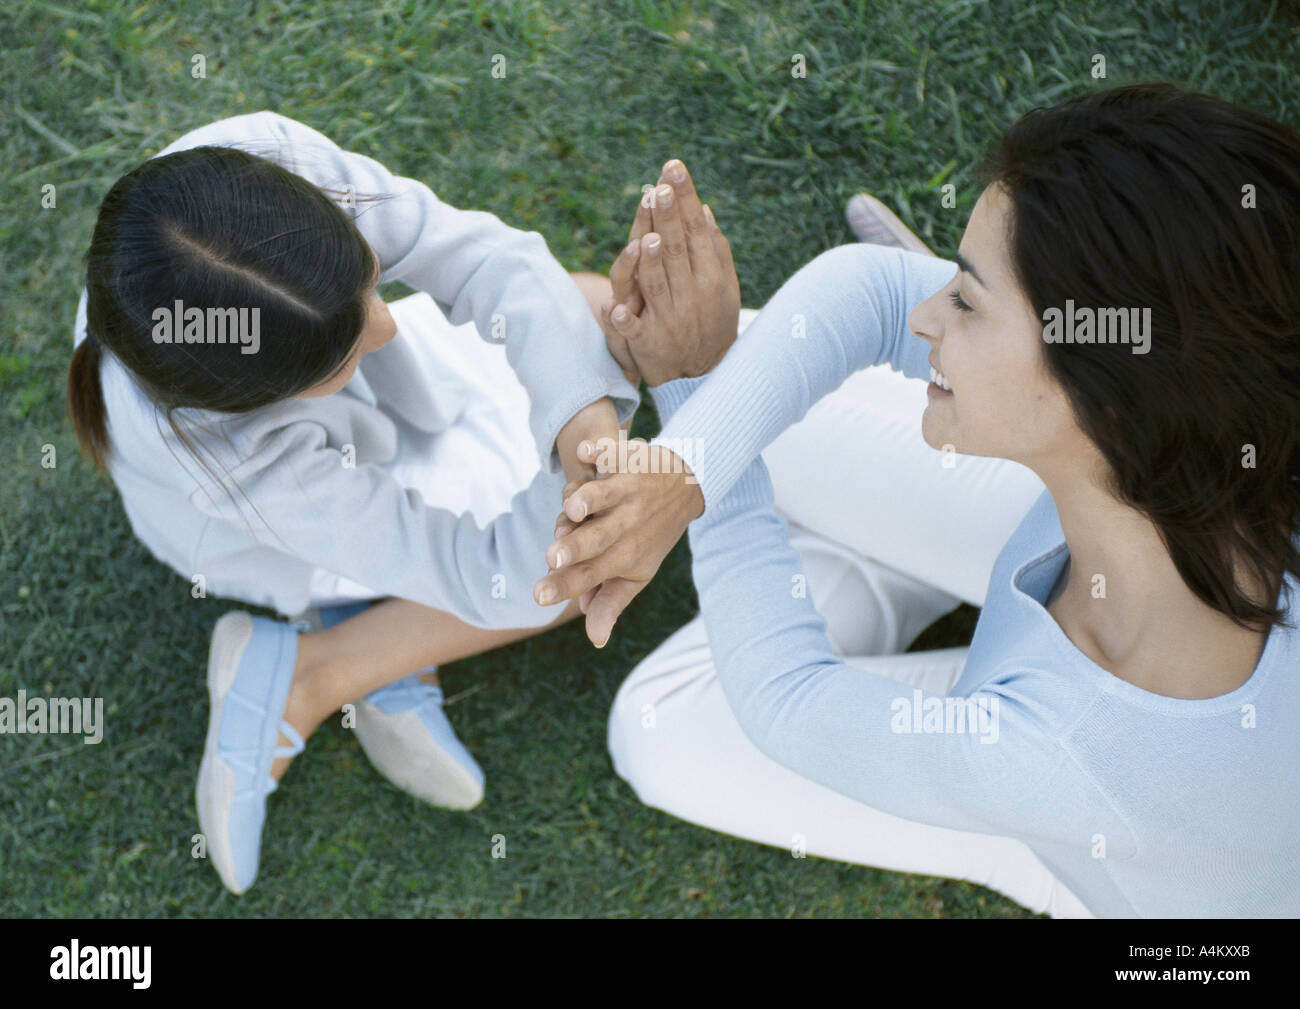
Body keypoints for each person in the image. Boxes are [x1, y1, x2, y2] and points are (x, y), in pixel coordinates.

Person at [535, 84, 1300, 917]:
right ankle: (882, 515)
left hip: (1076, 841)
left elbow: (785, 698)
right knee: (759, 410)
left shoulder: (1055, 760)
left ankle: (864, 545)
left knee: (658, 729)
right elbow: (870, 294)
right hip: (1090, 524)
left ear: (1108, 391)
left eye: (964, 300)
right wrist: (687, 467)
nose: (923, 313)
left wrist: (692, 383)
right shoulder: (1217, 425)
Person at [67, 110, 646, 894]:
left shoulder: (255, 176)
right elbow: (485, 573)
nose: (385, 323)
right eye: (343, 350)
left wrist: (584, 427)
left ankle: (342, 654)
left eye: (368, 277)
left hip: (372, 431)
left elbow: (484, 259)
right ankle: (310, 670)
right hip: (280, 531)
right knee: (569, 576)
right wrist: (589, 487)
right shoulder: (239, 460)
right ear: (262, 399)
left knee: (580, 310)